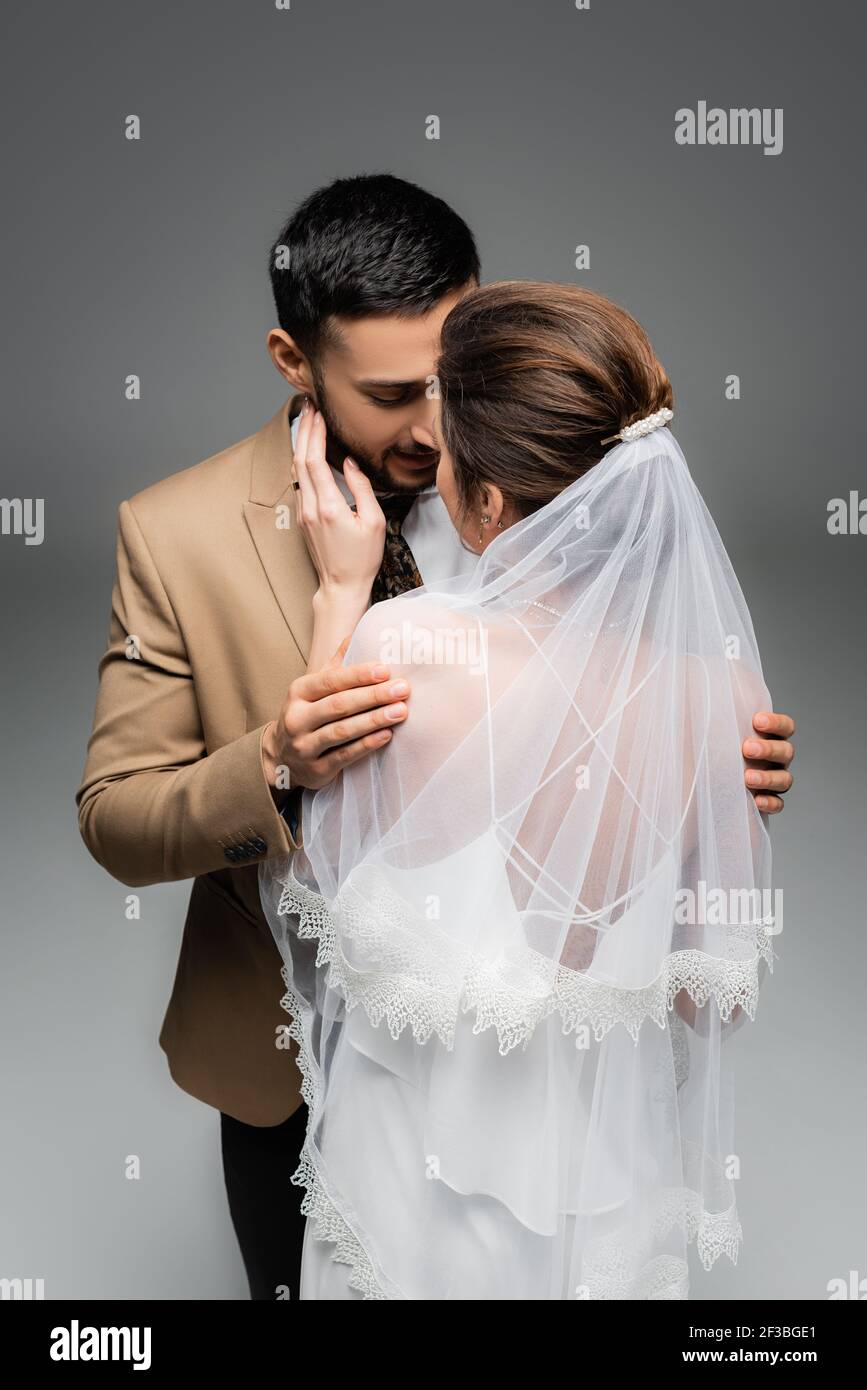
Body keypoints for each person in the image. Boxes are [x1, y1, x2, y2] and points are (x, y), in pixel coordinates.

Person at [76, 175, 795, 1300]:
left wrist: (712, 776)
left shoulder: (542, 467)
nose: (432, 423)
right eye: (396, 390)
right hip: (288, 1072)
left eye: (453, 377)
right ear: (292, 360)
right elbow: (117, 819)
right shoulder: (174, 536)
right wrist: (277, 762)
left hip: (551, 1097)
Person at [259, 280, 782, 1300]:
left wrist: (336, 599)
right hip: (602, 1187)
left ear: (488, 504)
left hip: (416, 1174)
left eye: (448, 450)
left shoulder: (399, 647)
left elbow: (316, 886)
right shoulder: (727, 697)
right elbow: (701, 999)